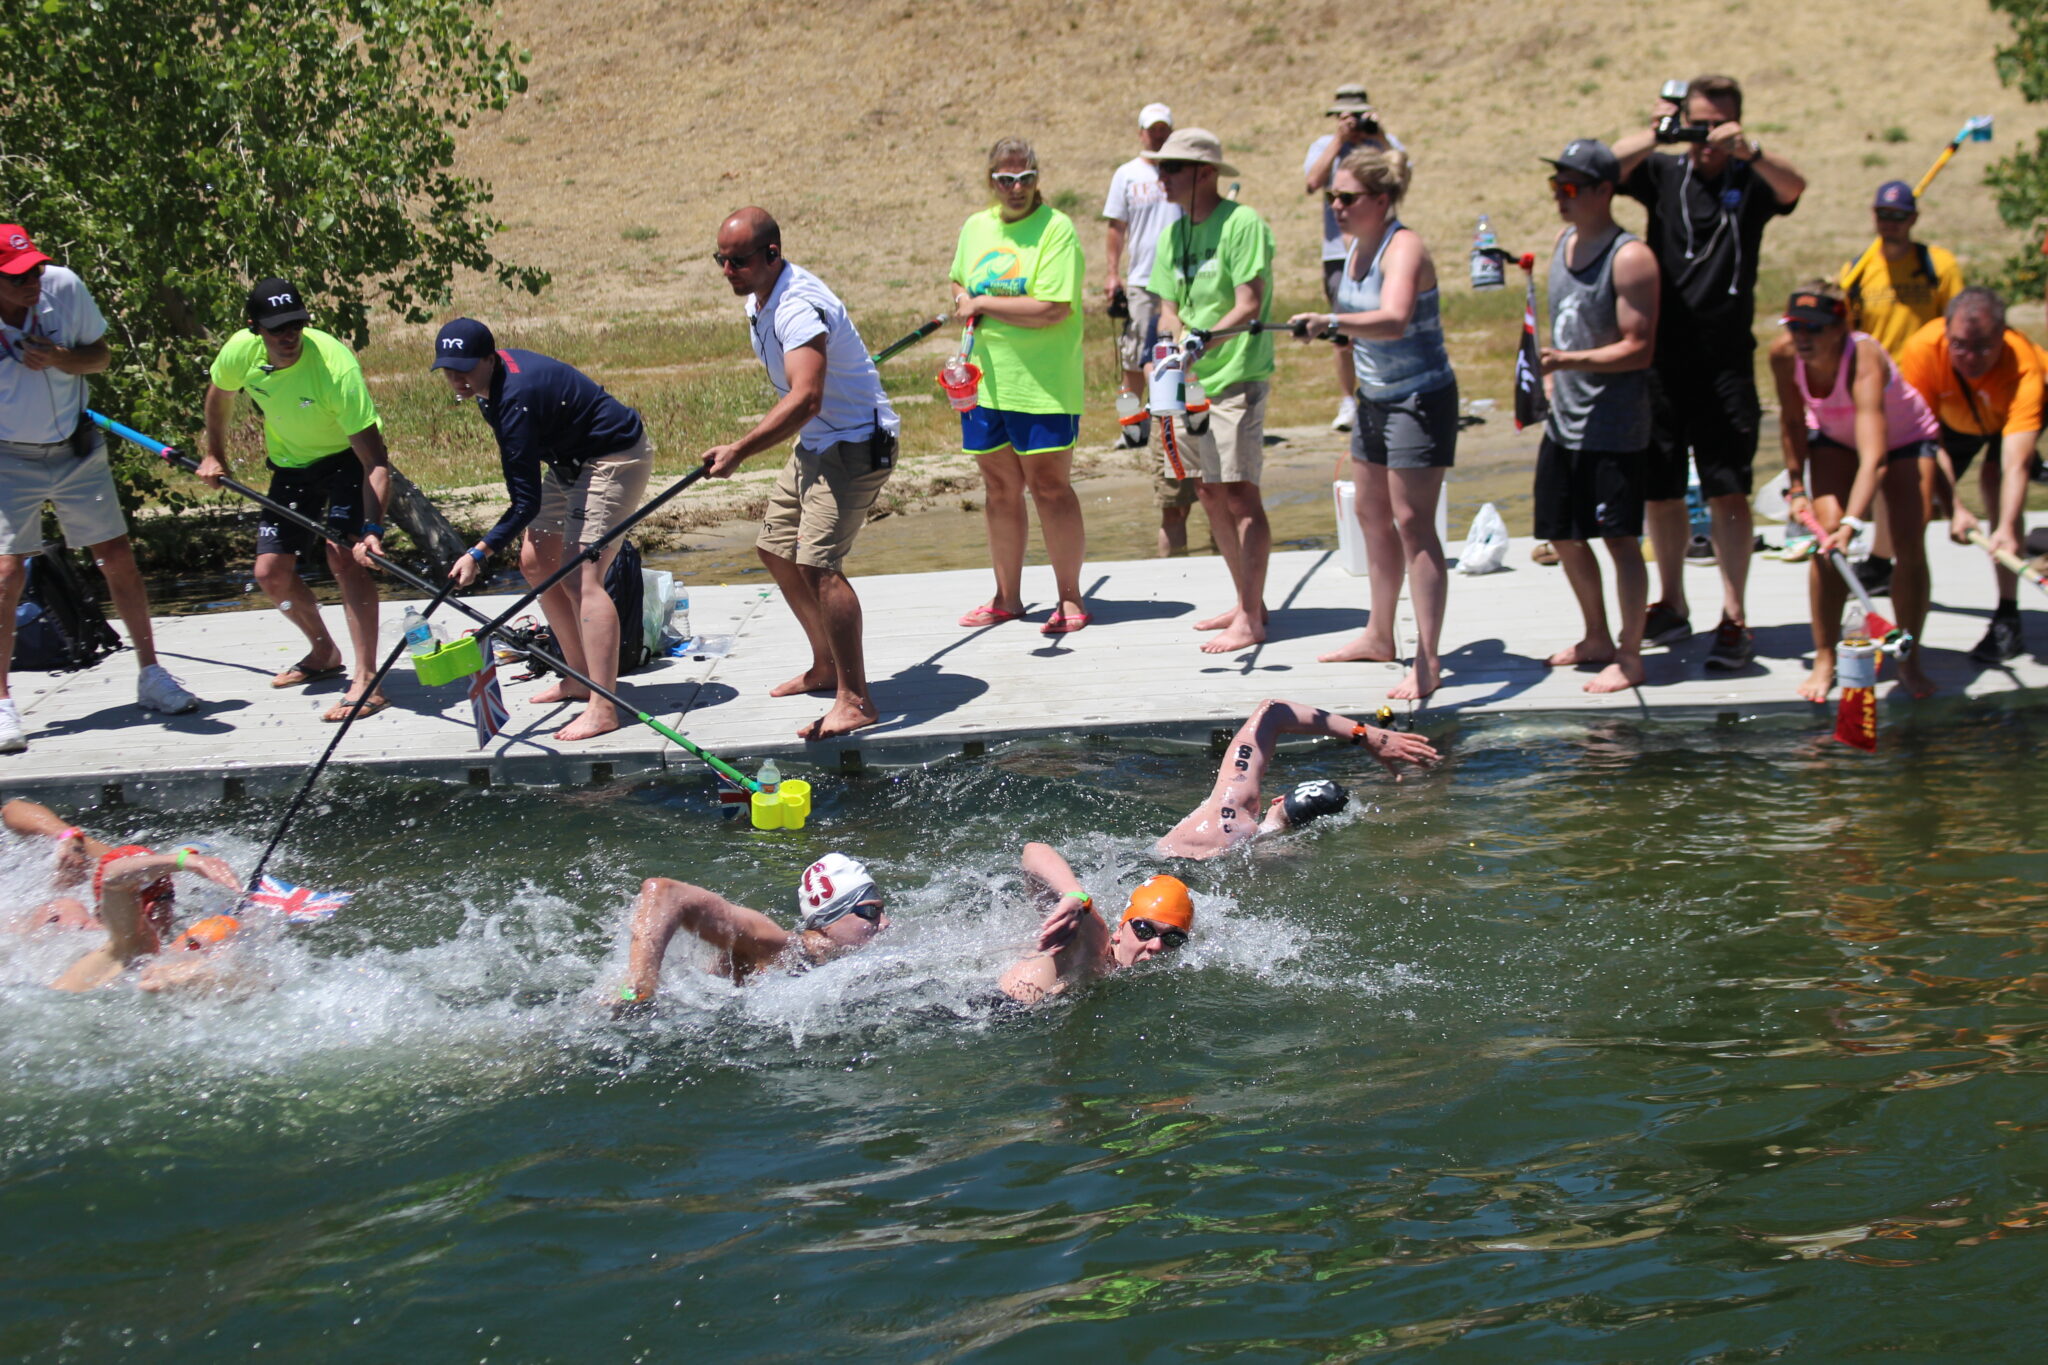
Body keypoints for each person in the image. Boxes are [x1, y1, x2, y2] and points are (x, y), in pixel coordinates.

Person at [1613, 75, 1806, 671]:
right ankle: (1671, 601)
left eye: (1716, 124)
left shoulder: (1749, 180)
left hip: (1724, 361)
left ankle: (1733, 612)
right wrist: (1656, 133)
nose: (1706, 138)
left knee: (1728, 488)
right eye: (1698, 123)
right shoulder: (1667, 172)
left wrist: (1751, 150)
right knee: (1661, 489)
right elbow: (1606, 167)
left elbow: (1796, 187)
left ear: (1737, 123)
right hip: (1660, 361)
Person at [0, 224, 198, 754]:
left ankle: (152, 674)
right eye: (18, 276)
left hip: (74, 447)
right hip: (7, 457)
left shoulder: (63, 287)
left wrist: (61, 358)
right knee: (7, 570)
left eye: (35, 269)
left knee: (117, 556)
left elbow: (101, 356)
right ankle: (2, 704)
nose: (32, 282)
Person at [703, 208, 898, 741]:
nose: (727, 270)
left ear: (771, 255)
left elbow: (807, 397)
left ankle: (856, 701)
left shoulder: (796, 306)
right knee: (775, 547)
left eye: (737, 260)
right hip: (818, 443)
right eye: (719, 259)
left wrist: (740, 450)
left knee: (820, 566)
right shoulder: (758, 297)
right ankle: (826, 666)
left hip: (855, 443)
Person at [432, 317, 655, 740]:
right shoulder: (487, 390)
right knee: (535, 561)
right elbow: (526, 487)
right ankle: (577, 675)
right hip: (569, 462)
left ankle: (604, 707)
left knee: (582, 574)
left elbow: (524, 502)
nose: (456, 377)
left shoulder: (516, 397)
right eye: (447, 368)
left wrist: (478, 552)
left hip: (614, 456)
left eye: (464, 367)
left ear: (489, 358)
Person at [1290, 147, 1458, 699]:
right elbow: (1360, 327)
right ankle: (1380, 635)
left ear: (1381, 200)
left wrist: (1332, 320)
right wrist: (1331, 329)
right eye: (1332, 196)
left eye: (1347, 197)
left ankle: (1427, 661)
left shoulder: (1403, 246)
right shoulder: (1355, 247)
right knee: (1370, 514)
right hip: (1375, 399)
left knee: (1414, 523)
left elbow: (1394, 318)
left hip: (1420, 400)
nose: (1335, 205)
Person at [199, 278, 393, 722]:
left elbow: (377, 463)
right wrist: (215, 453)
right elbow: (219, 396)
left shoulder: (335, 369)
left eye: (296, 325)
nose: (288, 337)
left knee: (345, 558)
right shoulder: (238, 353)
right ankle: (324, 652)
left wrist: (372, 530)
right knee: (270, 573)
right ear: (254, 329)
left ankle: (367, 680)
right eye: (276, 329)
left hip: (347, 461)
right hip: (290, 466)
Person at [1767, 283, 1939, 701]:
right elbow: (1792, 423)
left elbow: (1875, 458)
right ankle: (1826, 658)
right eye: (1795, 327)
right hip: (1834, 440)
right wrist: (1795, 485)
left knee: (1908, 543)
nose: (1802, 337)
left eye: (1815, 328)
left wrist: (1852, 522)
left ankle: (1908, 662)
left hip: (1904, 443)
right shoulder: (1784, 353)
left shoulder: (1864, 357)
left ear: (1841, 326)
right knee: (1825, 545)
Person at [1531, 140, 1660, 694]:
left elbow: (1640, 347)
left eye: (1571, 188)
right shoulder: (1563, 242)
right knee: (1561, 533)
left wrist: (1569, 361)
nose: (1561, 197)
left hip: (1614, 426)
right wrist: (1552, 378)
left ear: (1605, 191)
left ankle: (1630, 655)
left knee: (1620, 540)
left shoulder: (1630, 257)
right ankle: (1596, 636)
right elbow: (1561, 325)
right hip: (1565, 420)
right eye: (1556, 187)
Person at [948, 138, 1090, 636]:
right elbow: (960, 283)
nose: (1015, 188)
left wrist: (981, 304)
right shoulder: (976, 226)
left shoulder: (1056, 229)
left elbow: (1052, 308)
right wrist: (967, 297)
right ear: (991, 181)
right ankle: (1007, 597)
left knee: (1050, 489)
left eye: (1025, 178)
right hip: (985, 384)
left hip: (1043, 387)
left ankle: (1069, 598)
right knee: (999, 489)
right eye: (1005, 180)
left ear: (1037, 178)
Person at [1150, 127, 1278, 655]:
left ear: (1205, 173)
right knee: (1205, 490)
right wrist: (1168, 349)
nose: (1162, 177)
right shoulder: (1172, 231)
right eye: (1160, 167)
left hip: (1235, 376)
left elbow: (1250, 301)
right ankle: (1248, 601)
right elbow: (1167, 307)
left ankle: (1251, 617)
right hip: (1188, 381)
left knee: (1239, 492)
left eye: (1172, 168)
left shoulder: (1242, 223)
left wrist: (1206, 338)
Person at [1896, 288, 2043, 663]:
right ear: (1945, 332)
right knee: (1915, 490)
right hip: (1950, 417)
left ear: (2003, 335)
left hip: (2006, 421)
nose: (1970, 357)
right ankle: (1884, 566)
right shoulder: (1922, 350)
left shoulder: (2026, 367)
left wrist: (2008, 529)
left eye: (1982, 347)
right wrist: (1955, 507)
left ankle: (2007, 616)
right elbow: (1923, 440)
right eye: (1960, 345)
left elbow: (2015, 463)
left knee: (1994, 479)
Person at [1840, 181, 1964, 596]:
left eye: (1897, 216)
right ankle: (1881, 558)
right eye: (1882, 215)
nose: (1888, 224)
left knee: (1919, 475)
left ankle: (1898, 555)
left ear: (1913, 219)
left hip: (1927, 382)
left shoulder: (1939, 266)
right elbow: (1846, 333)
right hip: (1878, 387)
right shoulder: (1858, 269)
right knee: (1880, 467)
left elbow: (1958, 324)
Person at [1153, 697, 1439, 860]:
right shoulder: (1283, 861)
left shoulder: (1229, 813)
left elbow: (1273, 711)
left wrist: (1367, 735)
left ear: (1277, 799)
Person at [1102, 103, 1199, 554]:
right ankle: (1135, 427)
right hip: (1142, 277)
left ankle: (1170, 421)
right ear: (1140, 133)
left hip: (1181, 278)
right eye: (1151, 130)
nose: (1157, 136)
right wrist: (1112, 273)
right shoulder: (1127, 174)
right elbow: (1115, 226)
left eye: (1164, 129)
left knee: (1160, 358)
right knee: (1136, 357)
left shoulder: (1185, 176)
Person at [614, 852, 889, 1010]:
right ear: (827, 920)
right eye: (870, 911)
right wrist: (637, 989)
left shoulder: (838, 959)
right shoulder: (778, 947)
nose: (885, 922)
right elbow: (665, 893)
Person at [1303, 84, 1404, 433]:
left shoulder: (1382, 144)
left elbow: (1403, 175)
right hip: (1338, 252)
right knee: (1341, 330)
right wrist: (1338, 141)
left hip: (1380, 249)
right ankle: (1348, 400)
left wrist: (1381, 136)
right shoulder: (1324, 146)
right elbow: (1313, 181)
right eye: (1345, 116)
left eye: (1358, 115)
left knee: (1380, 324)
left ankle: (1381, 392)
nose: (1354, 122)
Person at [997, 846, 1193, 1005]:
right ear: (1119, 930)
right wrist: (1074, 894)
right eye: (1144, 930)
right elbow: (1034, 851)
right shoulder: (1095, 945)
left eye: (1173, 938)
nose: (1156, 946)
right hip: (993, 1013)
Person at [49, 843, 245, 993]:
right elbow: (113, 876)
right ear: (155, 906)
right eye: (167, 898)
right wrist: (184, 860)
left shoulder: (84, 944)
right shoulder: (131, 944)